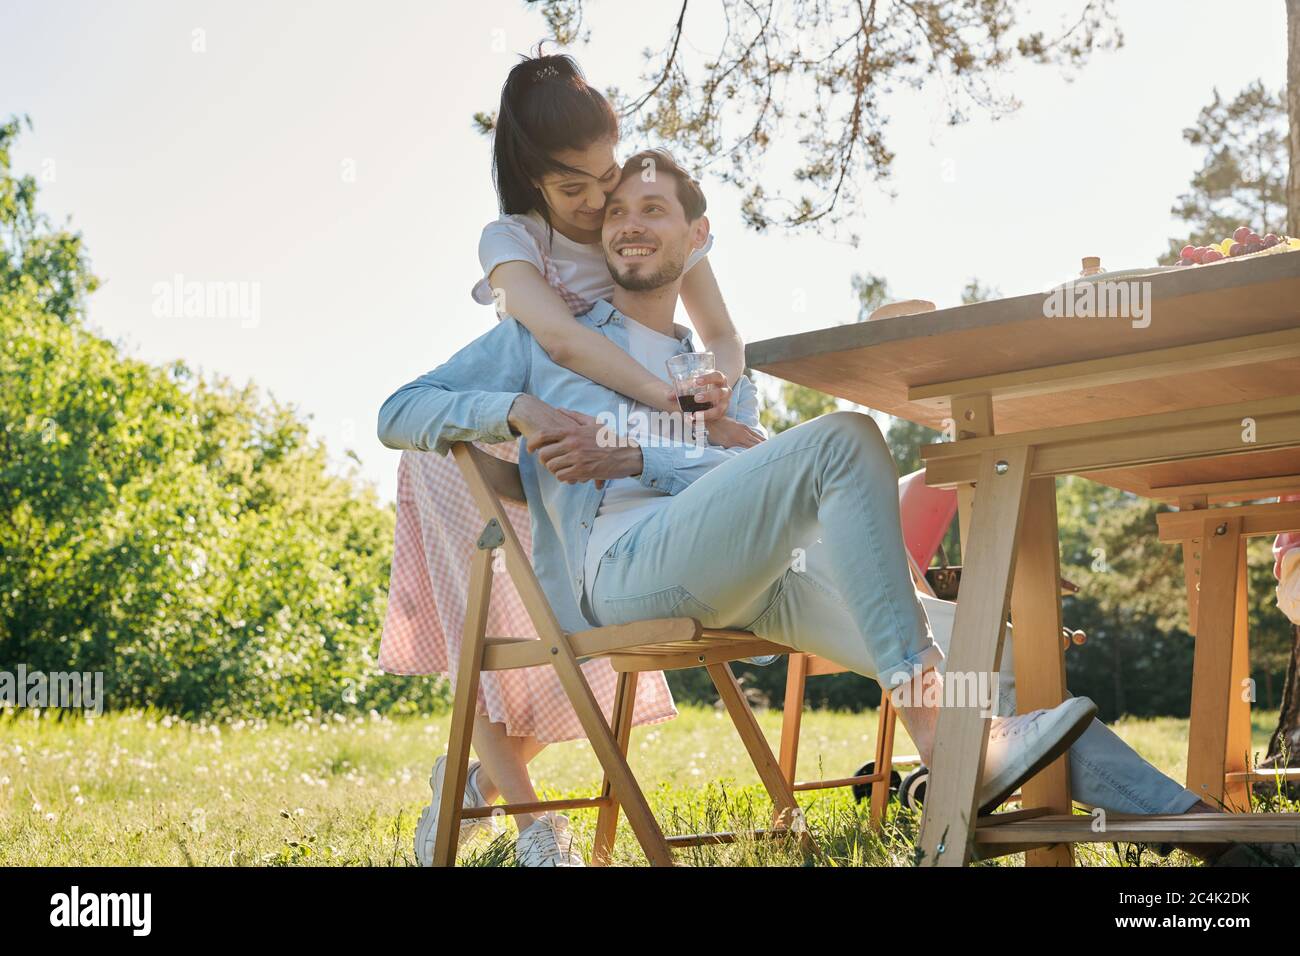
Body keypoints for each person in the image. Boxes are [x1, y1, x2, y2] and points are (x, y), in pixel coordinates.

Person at [380, 148, 1112, 864]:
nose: (629, 224)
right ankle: (948, 745)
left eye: (653, 209)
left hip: (755, 580)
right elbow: (397, 411)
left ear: (697, 238)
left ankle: (1194, 823)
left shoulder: (719, 375)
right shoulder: (543, 342)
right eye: (618, 211)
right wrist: (515, 409)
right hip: (620, 575)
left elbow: (740, 473)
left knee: (1009, 653)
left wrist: (644, 456)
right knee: (845, 439)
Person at [378, 52, 759, 868]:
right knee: (481, 619)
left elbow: (723, 332)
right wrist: (671, 405)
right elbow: (557, 339)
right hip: (486, 436)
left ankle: (475, 780)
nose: (596, 206)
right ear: (531, 179)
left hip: (600, 454)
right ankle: (533, 826)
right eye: (572, 189)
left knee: (557, 621)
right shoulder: (513, 242)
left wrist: (713, 381)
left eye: (606, 176)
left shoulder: (641, 213)